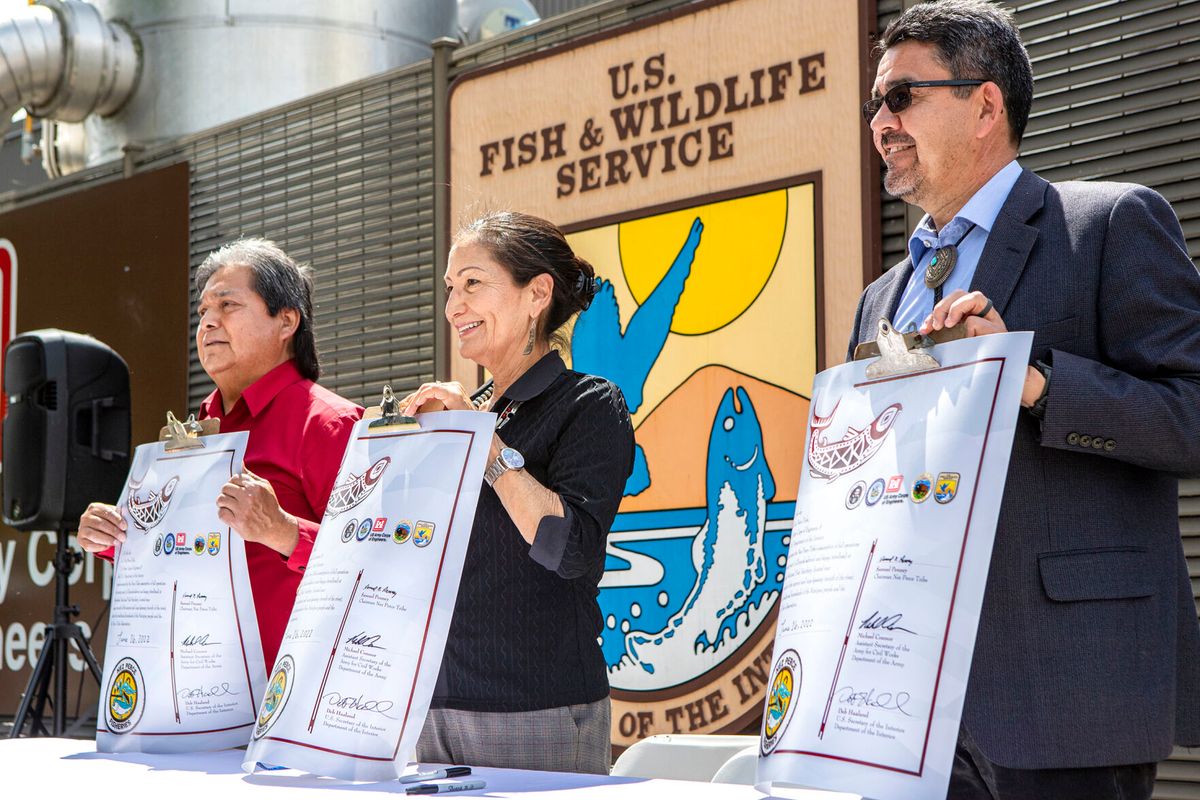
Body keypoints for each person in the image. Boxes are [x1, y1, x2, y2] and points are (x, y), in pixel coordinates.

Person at [850, 2, 1200, 798]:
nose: (881, 123)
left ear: (985, 105)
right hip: (906, 707)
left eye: (901, 97)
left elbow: (1191, 415)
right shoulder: (880, 298)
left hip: (1066, 691)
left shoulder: (1107, 225)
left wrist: (1032, 380)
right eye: (875, 105)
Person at [401, 211, 634, 774]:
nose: (453, 306)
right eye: (450, 288)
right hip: (433, 705)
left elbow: (570, 549)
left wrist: (483, 442)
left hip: (537, 708)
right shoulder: (464, 413)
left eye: (473, 284)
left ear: (537, 294)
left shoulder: (589, 403)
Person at [77, 239, 363, 671]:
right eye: (203, 312)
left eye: (227, 305)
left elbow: (372, 564)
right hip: (194, 686)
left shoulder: (328, 422)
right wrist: (114, 539)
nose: (208, 322)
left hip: (291, 692)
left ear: (286, 321)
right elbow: (178, 557)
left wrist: (283, 531)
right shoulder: (194, 431)